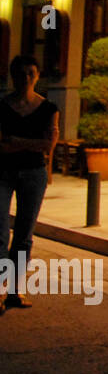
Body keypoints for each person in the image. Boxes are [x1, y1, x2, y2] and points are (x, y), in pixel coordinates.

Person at [0, 55, 60, 314]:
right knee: (0, 234)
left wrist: (15, 141)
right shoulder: (2, 106)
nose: (25, 78)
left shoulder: (48, 109)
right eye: (21, 73)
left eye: (31, 73)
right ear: (12, 75)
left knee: (24, 236)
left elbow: (49, 145)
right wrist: (30, 143)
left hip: (34, 174)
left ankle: (14, 290)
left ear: (37, 76)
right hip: (3, 172)